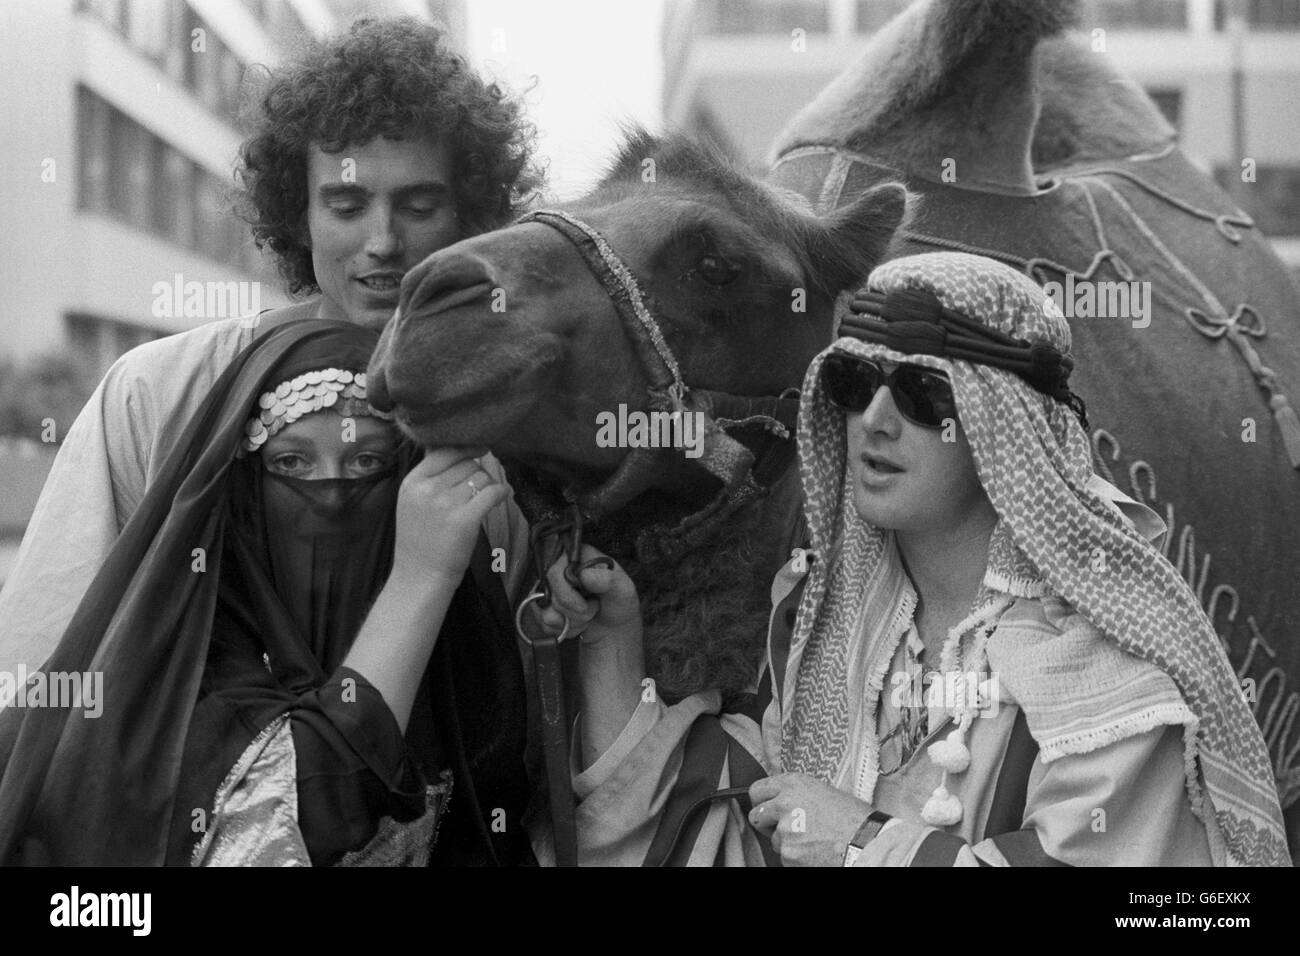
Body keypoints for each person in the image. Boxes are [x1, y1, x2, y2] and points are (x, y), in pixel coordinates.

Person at [530, 252, 1290, 866]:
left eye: (924, 395)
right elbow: (729, 827)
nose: (876, 420)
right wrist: (610, 644)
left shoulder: (1101, 649)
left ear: (1006, 428)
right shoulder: (830, 621)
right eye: (855, 384)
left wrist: (865, 842)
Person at [0, 16, 539, 680]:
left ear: (469, 216)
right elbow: (39, 662)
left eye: (419, 206)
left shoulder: (509, 427)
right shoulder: (163, 392)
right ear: (298, 216)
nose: (383, 240)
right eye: (346, 205)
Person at [0, 320, 532, 866]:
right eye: (292, 463)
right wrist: (422, 576)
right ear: (243, 493)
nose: (331, 496)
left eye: (367, 462)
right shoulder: (169, 678)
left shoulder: (452, 660)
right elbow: (313, 808)